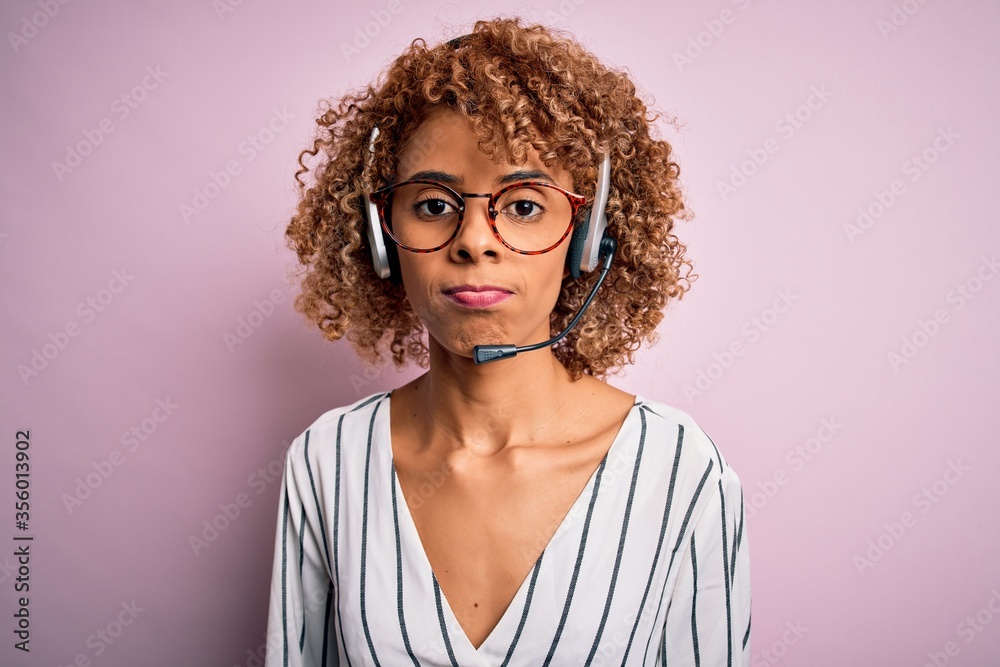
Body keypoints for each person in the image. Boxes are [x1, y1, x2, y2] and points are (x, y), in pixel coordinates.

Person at [265, 16, 750, 667]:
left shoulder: (681, 470)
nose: (474, 239)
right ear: (382, 239)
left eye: (523, 204)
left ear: (586, 239)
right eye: (434, 204)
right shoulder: (327, 464)